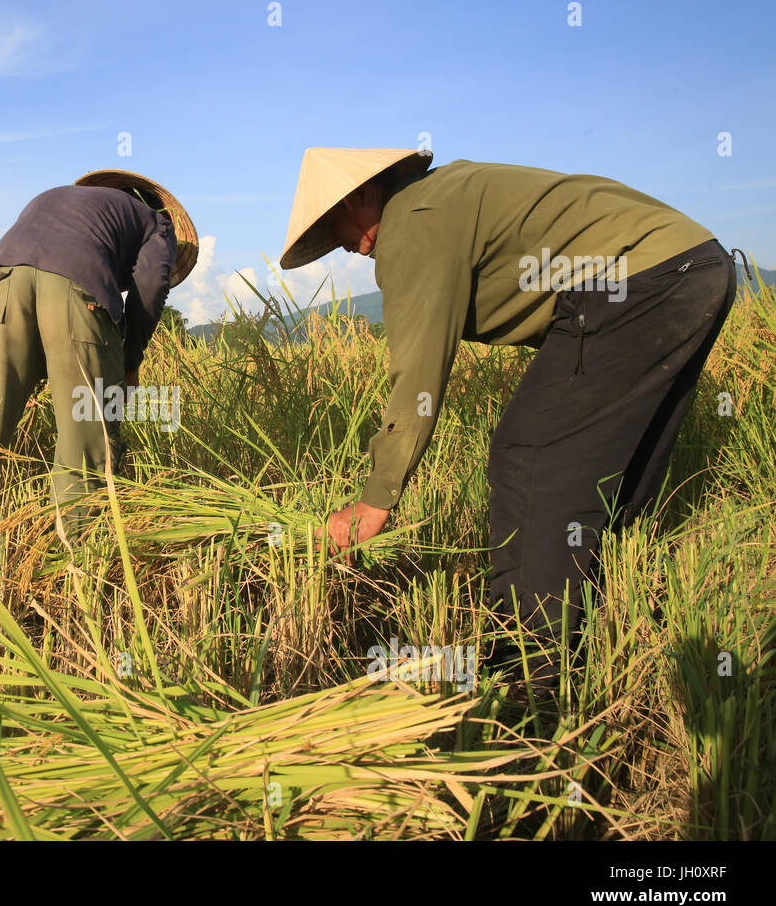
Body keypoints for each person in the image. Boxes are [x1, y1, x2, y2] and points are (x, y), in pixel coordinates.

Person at [280, 148, 735, 685]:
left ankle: (523, 679)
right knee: (612, 476)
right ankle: (608, 632)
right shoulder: (442, 195)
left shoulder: (414, 223)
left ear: (360, 195)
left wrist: (376, 500)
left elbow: (418, 371)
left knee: (530, 461)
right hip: (694, 266)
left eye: (332, 223)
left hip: (635, 281)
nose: (337, 242)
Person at [0, 169, 198, 538]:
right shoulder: (157, 222)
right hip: (77, 298)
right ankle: (78, 561)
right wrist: (130, 360)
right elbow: (151, 283)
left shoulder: (48, 198)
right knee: (88, 433)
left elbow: (22, 268)